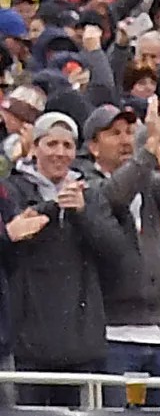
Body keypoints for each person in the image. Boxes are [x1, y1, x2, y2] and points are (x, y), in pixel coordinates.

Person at [1, 109, 132, 401]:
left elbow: (117, 253)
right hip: (26, 339)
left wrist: (83, 213)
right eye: (51, 144)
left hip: (81, 341)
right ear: (35, 148)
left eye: (67, 145)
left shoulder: (91, 193)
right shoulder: (11, 191)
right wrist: (21, 227)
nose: (59, 153)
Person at [88, 95, 160, 406]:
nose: (126, 140)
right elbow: (115, 195)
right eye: (114, 133)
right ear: (93, 146)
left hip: (158, 329)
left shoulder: (146, 185)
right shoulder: (87, 183)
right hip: (114, 331)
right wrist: (149, 147)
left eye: (129, 132)